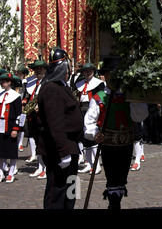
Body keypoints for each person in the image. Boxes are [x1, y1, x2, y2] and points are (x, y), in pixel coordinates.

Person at [84, 56, 148, 209]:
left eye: (116, 75)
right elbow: (89, 123)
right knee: (112, 179)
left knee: (121, 179)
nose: (112, 78)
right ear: (105, 76)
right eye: (109, 74)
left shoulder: (129, 95)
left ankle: (116, 201)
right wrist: (95, 134)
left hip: (126, 144)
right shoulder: (99, 97)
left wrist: (135, 97)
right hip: (109, 145)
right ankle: (114, 205)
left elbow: (140, 116)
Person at [37, 49, 83, 209]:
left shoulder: (64, 87)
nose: (70, 71)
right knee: (56, 194)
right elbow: (55, 124)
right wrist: (63, 152)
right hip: (60, 151)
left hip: (72, 148)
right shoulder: (51, 89)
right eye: (68, 67)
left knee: (71, 191)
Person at [74, 63, 105, 175]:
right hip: (81, 109)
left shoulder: (99, 84)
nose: (88, 73)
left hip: (92, 109)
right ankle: (89, 163)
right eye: (86, 71)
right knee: (84, 138)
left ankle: (96, 165)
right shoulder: (79, 84)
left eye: (90, 70)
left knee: (93, 137)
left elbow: (101, 97)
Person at [23, 59, 47, 179]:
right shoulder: (31, 82)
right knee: (37, 142)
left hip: (43, 117)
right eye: (36, 69)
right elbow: (28, 96)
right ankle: (40, 166)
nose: (38, 71)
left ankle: (46, 168)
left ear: (45, 70)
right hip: (32, 116)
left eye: (41, 69)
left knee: (44, 143)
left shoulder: (48, 82)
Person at [0, 73, 23, 183]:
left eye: (3, 81)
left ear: (9, 82)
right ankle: (1, 173)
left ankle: (11, 172)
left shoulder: (16, 96)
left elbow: (19, 114)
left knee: (11, 151)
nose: (1, 83)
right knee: (1, 150)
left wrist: (16, 128)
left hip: (11, 124)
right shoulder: (1, 95)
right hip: (1, 124)